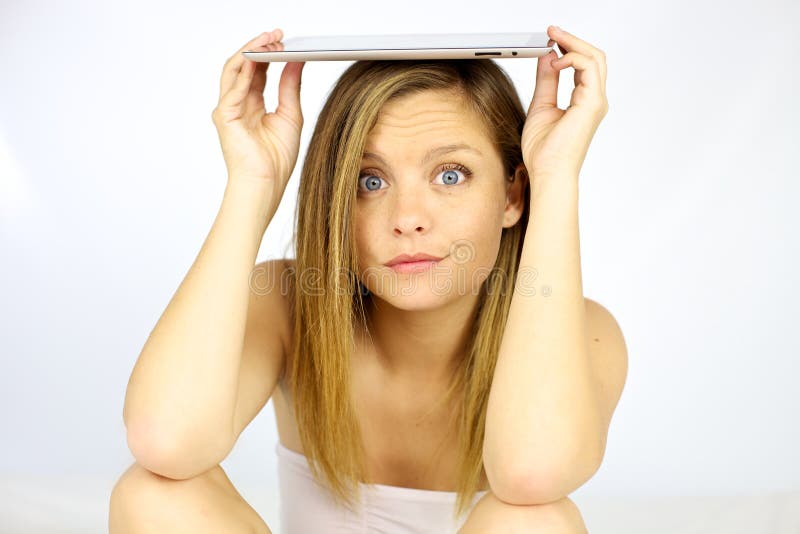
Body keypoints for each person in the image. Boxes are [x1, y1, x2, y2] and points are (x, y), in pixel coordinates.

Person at [110, 24, 621, 534]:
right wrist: (252, 182)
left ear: (512, 195)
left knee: (537, 521)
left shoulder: (588, 335)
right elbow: (166, 440)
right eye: (370, 181)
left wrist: (555, 179)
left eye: (449, 175)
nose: (407, 218)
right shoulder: (287, 307)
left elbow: (533, 473)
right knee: (153, 495)